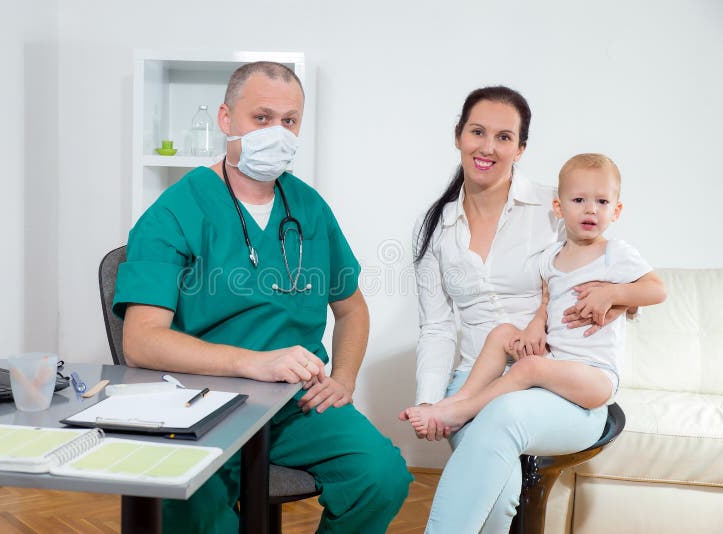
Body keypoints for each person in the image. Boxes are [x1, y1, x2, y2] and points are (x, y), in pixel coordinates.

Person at [113, 61, 411, 533]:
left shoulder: (308, 207)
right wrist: (253, 363)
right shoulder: (174, 212)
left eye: (289, 121)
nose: (278, 132)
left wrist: (345, 377)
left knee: (381, 476)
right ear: (226, 119)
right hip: (203, 404)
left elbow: (351, 308)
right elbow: (141, 342)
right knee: (191, 508)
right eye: (262, 117)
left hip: (297, 405)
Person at [397, 86, 665, 533]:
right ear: (458, 135)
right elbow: (437, 329)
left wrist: (612, 300)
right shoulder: (436, 228)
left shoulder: (558, 205)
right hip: (476, 379)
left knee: (502, 418)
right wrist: (432, 401)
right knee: (498, 500)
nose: (488, 147)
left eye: (504, 137)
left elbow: (608, 272)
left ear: (521, 148)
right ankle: (460, 408)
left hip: (558, 380)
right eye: (477, 132)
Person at [403, 153, 666, 435]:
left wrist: (614, 294)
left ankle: (463, 412)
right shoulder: (550, 257)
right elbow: (546, 302)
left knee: (529, 368)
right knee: (503, 332)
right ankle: (457, 399)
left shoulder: (615, 253)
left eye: (602, 202)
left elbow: (657, 290)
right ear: (559, 207)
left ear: (616, 210)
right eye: (579, 200)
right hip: (557, 361)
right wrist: (536, 325)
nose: (590, 210)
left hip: (596, 375)